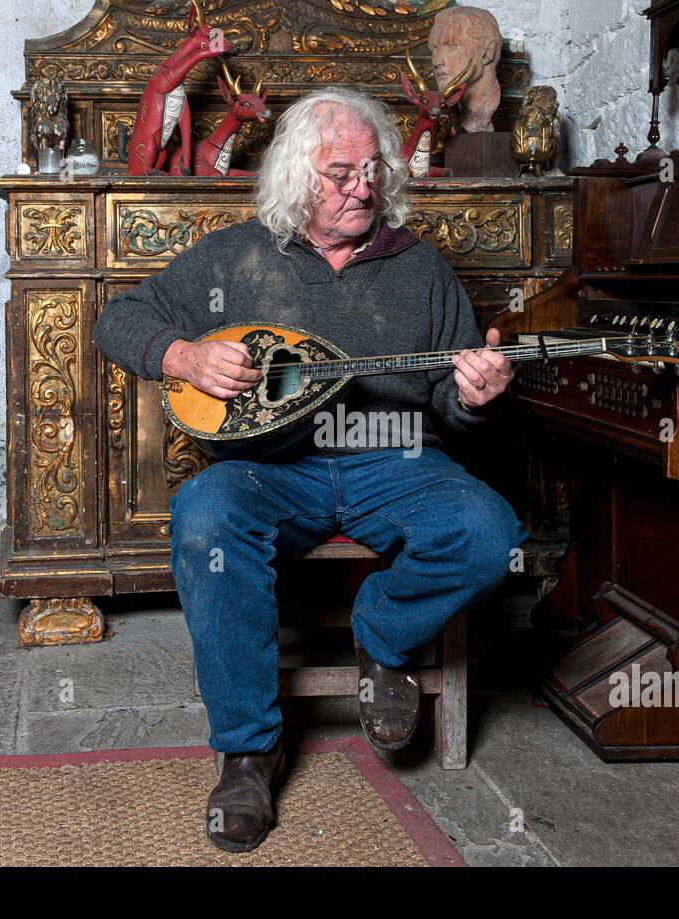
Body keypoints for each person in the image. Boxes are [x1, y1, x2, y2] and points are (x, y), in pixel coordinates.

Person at [93, 87, 526, 853]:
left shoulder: (421, 269)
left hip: (394, 459)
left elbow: (453, 412)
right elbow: (117, 319)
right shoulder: (233, 255)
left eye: (372, 171)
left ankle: (382, 637)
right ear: (297, 174)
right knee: (205, 517)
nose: (363, 187)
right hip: (269, 469)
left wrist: (475, 398)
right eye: (340, 172)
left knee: (489, 531)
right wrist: (183, 355)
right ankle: (248, 751)